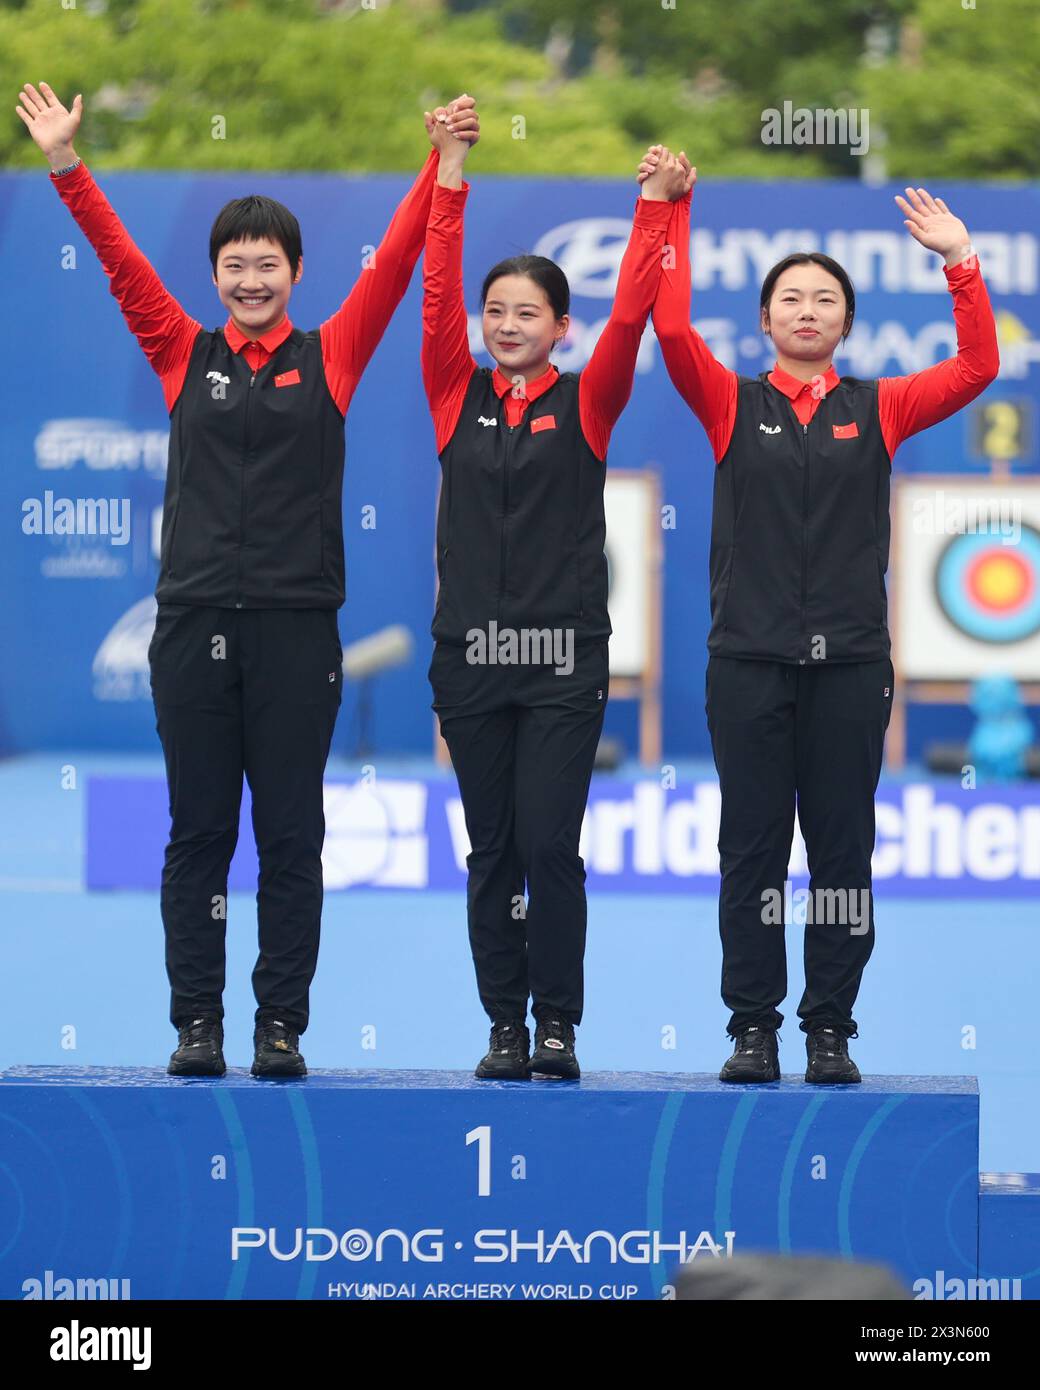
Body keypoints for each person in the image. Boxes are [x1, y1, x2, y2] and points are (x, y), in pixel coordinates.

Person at [18, 79, 479, 1078]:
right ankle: (196, 1023)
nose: (250, 280)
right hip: (188, 629)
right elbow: (117, 259)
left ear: (296, 273)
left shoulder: (335, 355)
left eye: (266, 266)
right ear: (216, 275)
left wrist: (444, 168)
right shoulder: (181, 351)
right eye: (234, 266)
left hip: (295, 630)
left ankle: (279, 1027)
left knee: (289, 839)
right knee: (196, 835)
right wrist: (65, 162)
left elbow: (399, 265)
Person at [641, 148, 999, 1083]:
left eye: (825, 301)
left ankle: (830, 1026)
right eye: (791, 300)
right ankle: (751, 1028)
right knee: (751, 854)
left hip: (848, 667)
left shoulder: (879, 407)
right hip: (748, 664)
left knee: (843, 854)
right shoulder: (729, 403)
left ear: (846, 323)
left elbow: (977, 364)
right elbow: (671, 328)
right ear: (765, 320)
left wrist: (960, 260)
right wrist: (672, 210)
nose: (808, 310)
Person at [422, 113, 693, 1081]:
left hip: (559, 662)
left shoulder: (589, 397)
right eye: (494, 310)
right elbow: (431, 285)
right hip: (467, 660)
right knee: (489, 851)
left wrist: (652, 209)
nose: (505, 323)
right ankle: (502, 1023)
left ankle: (556, 1026)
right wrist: (449, 171)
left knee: (549, 846)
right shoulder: (453, 391)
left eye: (526, 312)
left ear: (558, 328)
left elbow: (630, 316)